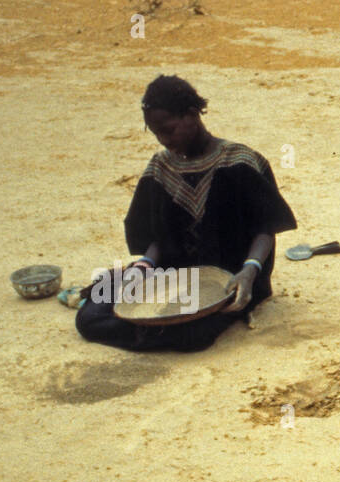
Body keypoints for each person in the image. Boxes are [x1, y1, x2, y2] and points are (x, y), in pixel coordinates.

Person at [76, 75, 296, 352]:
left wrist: (249, 271)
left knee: (195, 335)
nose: (163, 140)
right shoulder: (160, 167)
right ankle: (152, 327)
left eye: (168, 130)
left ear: (192, 115)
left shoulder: (239, 161)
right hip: (174, 277)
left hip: (230, 279)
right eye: (156, 133)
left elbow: (266, 227)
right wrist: (143, 267)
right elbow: (158, 235)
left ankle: (152, 330)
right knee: (89, 318)